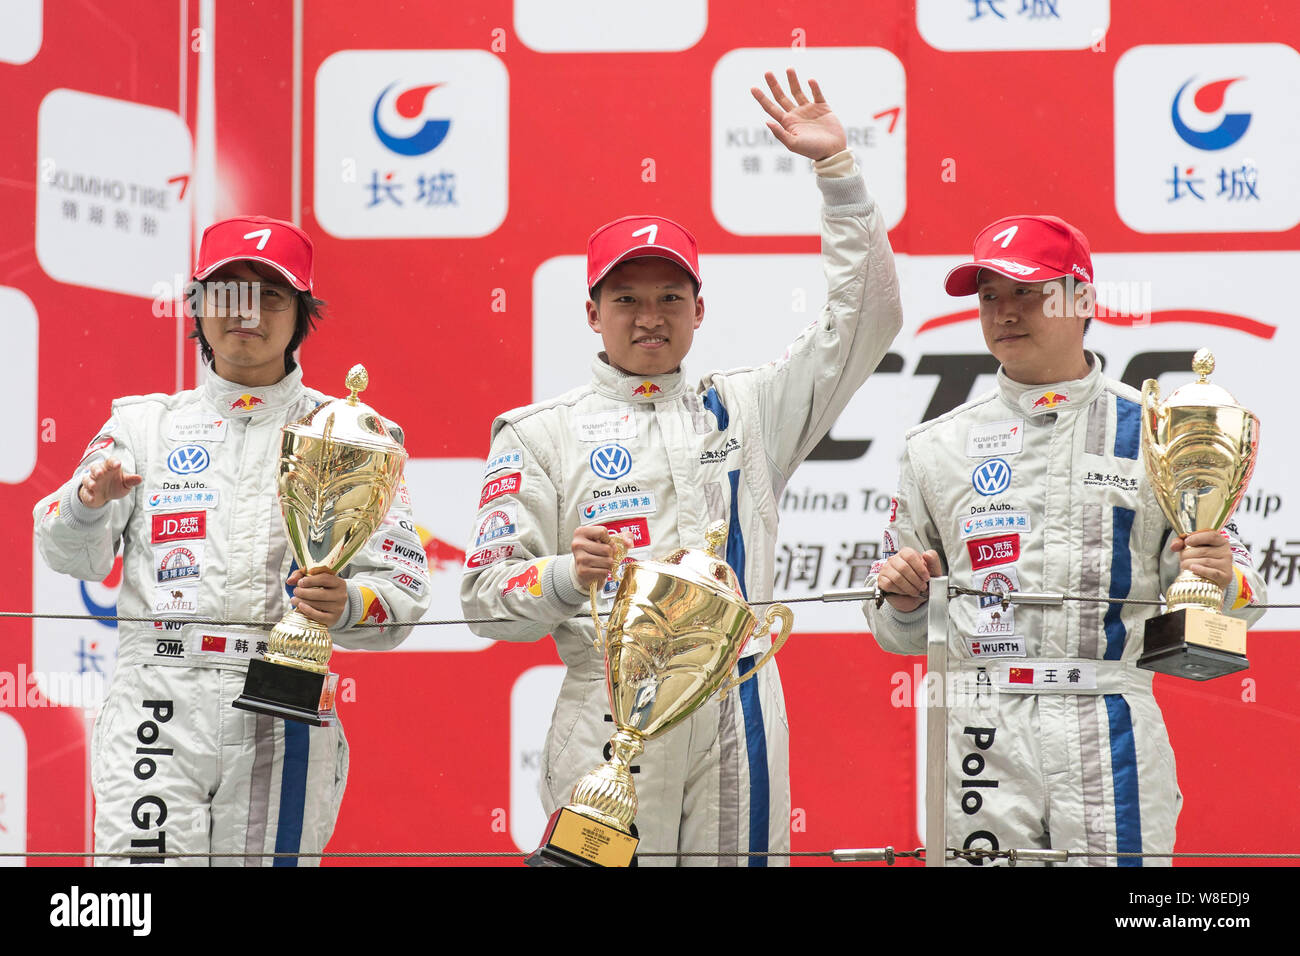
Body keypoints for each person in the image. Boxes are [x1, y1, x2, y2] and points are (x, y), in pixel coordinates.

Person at [461, 70, 903, 866]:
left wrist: (839, 173)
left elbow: (866, 319)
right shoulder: (538, 432)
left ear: (699, 310)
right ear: (591, 313)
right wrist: (567, 573)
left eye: (670, 296)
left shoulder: (752, 407)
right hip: (606, 712)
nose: (650, 317)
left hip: (740, 704)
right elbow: (488, 600)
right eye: (626, 300)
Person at [863, 214, 1266, 866]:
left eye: (1028, 292)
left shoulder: (1161, 432)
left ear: (1083, 300)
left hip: (1110, 720)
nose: (1005, 313)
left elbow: (1247, 601)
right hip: (982, 726)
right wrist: (904, 598)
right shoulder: (935, 449)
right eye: (989, 295)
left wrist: (1220, 575)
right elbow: (895, 631)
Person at [34, 215, 430, 866]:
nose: (246, 313)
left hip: (288, 697)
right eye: (226, 292)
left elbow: (404, 595)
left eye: (270, 294)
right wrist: (84, 503)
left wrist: (347, 603)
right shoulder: (141, 425)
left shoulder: (355, 433)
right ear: (196, 307)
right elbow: (70, 553)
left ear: (303, 312)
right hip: (157, 698)